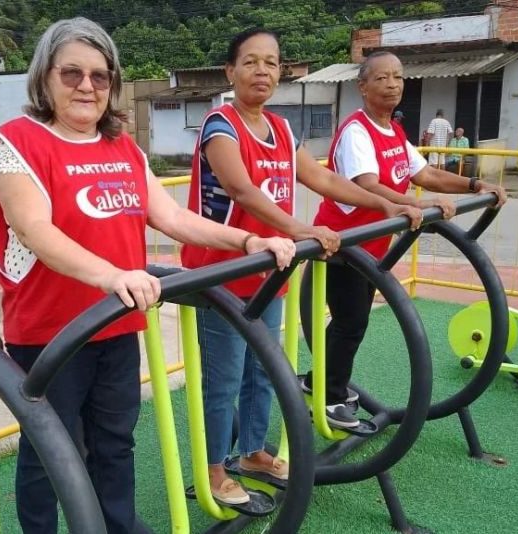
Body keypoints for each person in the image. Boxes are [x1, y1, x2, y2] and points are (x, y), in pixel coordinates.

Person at [0, 18, 298, 534]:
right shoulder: (19, 141)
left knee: (115, 441)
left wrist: (246, 239)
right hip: (52, 331)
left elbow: (172, 218)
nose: (87, 86)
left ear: (113, 84)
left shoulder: (121, 146)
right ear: (44, 78)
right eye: (72, 73)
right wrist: (113, 276)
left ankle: (117, 526)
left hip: (119, 324)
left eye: (100, 77)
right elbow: (35, 229)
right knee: (48, 453)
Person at [180, 29, 422, 506]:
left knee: (263, 371)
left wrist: (388, 202)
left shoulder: (282, 129)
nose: (262, 72)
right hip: (222, 274)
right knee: (224, 378)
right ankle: (212, 470)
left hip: (270, 274)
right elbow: (242, 189)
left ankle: (251, 453)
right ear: (230, 71)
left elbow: (325, 178)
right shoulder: (220, 125)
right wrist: (300, 229)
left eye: (271, 63)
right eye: (251, 62)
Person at [300, 51, 506, 429]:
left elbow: (425, 173)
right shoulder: (357, 131)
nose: (392, 84)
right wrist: (414, 203)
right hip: (343, 244)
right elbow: (367, 184)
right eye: (381, 78)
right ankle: (327, 398)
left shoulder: (393, 130)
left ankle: (318, 381)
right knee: (352, 322)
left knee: (349, 321)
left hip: (372, 247)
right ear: (362, 86)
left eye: (397, 76)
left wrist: (475, 185)